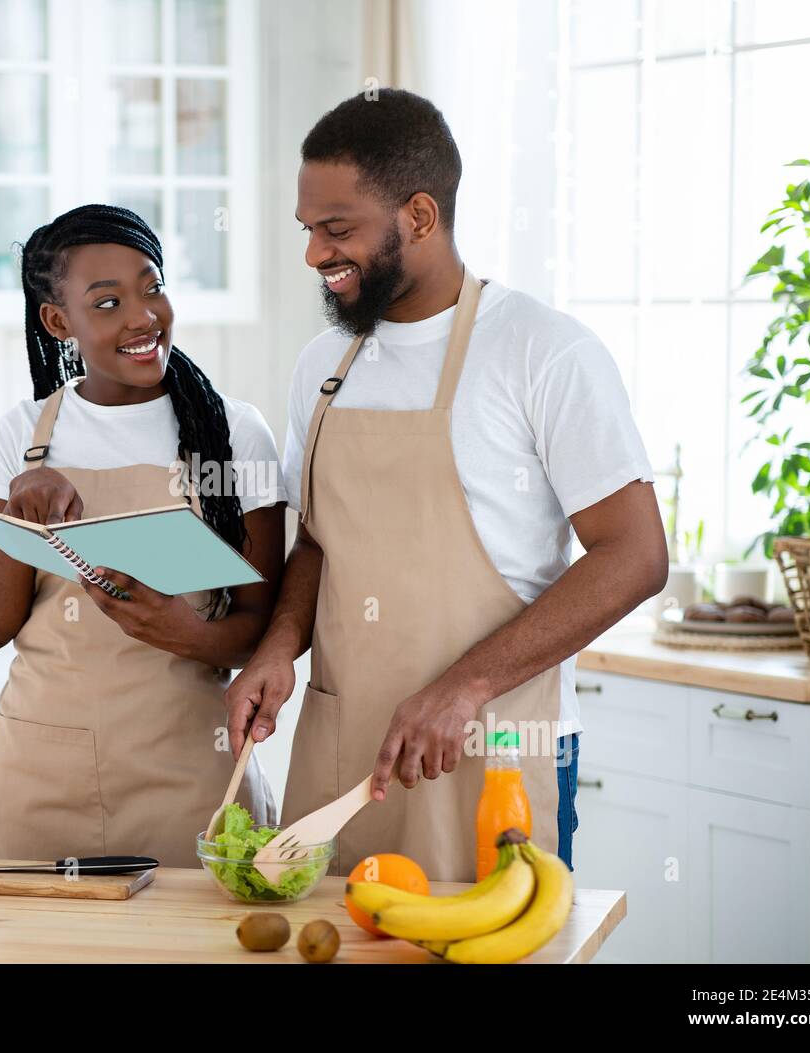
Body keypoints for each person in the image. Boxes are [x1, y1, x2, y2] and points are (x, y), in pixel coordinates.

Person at [226, 89, 669, 880]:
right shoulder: (320, 369)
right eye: (307, 231)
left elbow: (635, 554)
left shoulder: (542, 352)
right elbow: (321, 539)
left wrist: (463, 687)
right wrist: (279, 645)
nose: (313, 255)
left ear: (420, 217)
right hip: (341, 759)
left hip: (492, 750)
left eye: (337, 230)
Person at [0, 204, 285, 868]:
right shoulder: (22, 435)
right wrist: (19, 519)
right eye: (107, 302)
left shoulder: (234, 434)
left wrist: (185, 632)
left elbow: (266, 626)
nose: (142, 316)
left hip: (191, 774)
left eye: (152, 286)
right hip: (36, 782)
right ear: (59, 322)